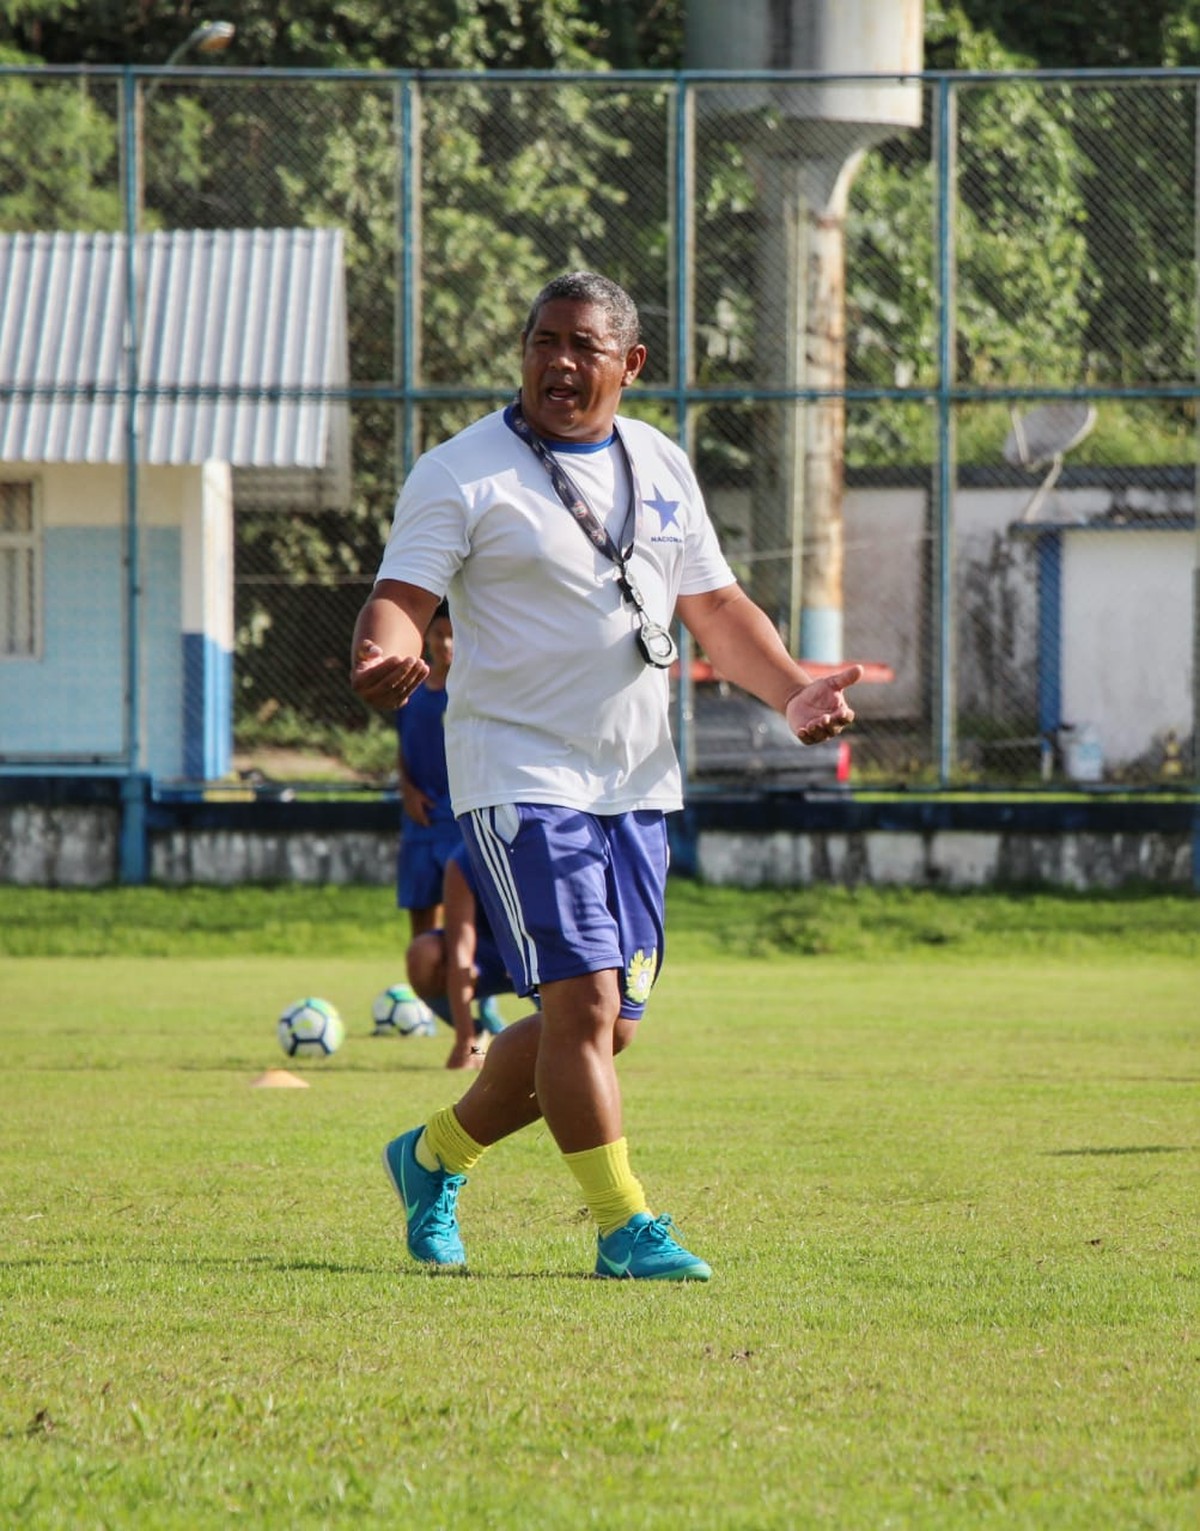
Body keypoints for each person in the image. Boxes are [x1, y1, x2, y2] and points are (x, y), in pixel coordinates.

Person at [350, 270, 861, 1282]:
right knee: (581, 1006)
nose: (560, 362)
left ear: (631, 365)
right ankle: (625, 1227)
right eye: (544, 341)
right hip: (518, 776)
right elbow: (399, 599)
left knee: (606, 1028)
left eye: (584, 346)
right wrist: (380, 657)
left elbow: (714, 610)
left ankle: (432, 1156)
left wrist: (793, 690)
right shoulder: (463, 470)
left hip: (637, 782)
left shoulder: (661, 463)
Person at [406, 844, 514, 1072]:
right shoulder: (465, 860)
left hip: (544, 955)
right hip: (489, 958)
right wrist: (465, 1042)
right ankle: (477, 1041)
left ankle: (553, 1035)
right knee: (423, 955)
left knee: (562, 1034)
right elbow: (460, 954)